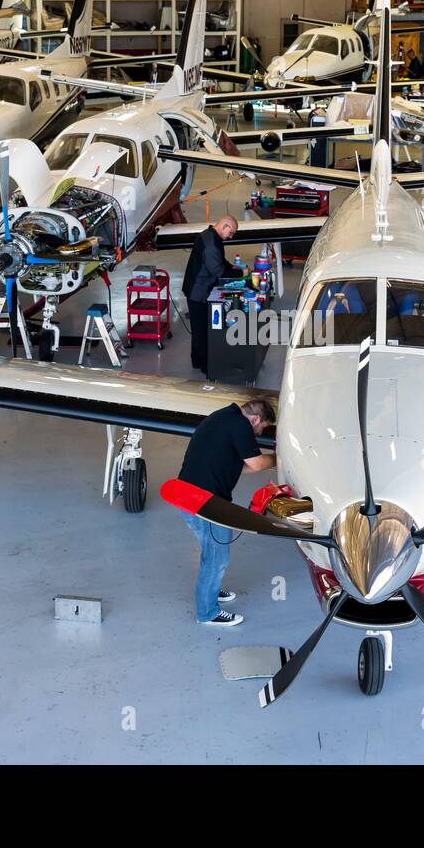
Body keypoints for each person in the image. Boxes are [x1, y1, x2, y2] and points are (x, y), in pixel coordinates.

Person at [177, 399, 277, 626]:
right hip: (206, 503)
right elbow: (258, 463)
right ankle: (207, 613)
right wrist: (279, 458)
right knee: (217, 558)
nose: (258, 434)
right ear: (255, 419)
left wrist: (261, 462)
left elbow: (242, 466)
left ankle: (210, 590)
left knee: (211, 552)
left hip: (187, 496)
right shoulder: (241, 425)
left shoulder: (223, 416)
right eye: (260, 429)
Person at [182, 215, 242, 373]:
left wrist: (232, 267)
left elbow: (220, 260)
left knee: (197, 329)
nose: (231, 236)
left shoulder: (210, 235)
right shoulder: (211, 245)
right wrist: (241, 273)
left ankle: (196, 360)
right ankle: (206, 367)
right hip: (198, 292)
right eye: (231, 232)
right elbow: (218, 271)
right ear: (225, 226)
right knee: (201, 330)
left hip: (196, 288)